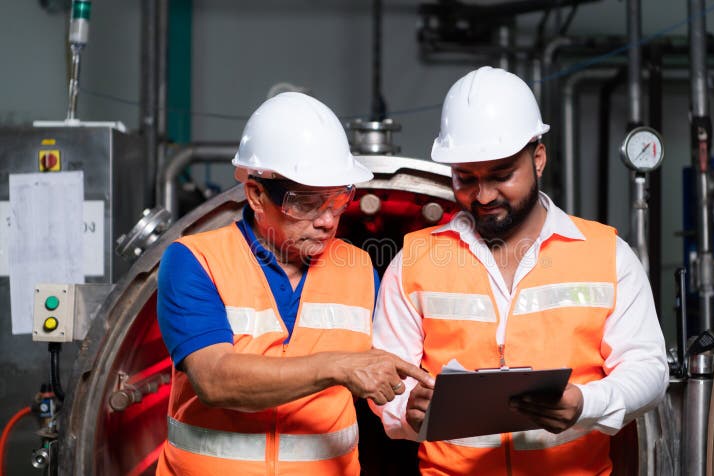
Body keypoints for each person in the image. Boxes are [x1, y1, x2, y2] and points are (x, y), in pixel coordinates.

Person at [370, 66, 668, 475]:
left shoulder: (606, 255)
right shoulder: (415, 261)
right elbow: (386, 380)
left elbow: (649, 371)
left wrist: (585, 403)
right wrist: (408, 408)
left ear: (538, 158)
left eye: (501, 175)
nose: (484, 195)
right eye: (466, 178)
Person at [156, 92, 434, 476]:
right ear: (256, 194)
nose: (327, 220)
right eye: (306, 203)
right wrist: (336, 367)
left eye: (337, 199)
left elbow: (385, 373)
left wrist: (414, 409)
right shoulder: (195, 261)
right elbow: (215, 379)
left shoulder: (358, 269)